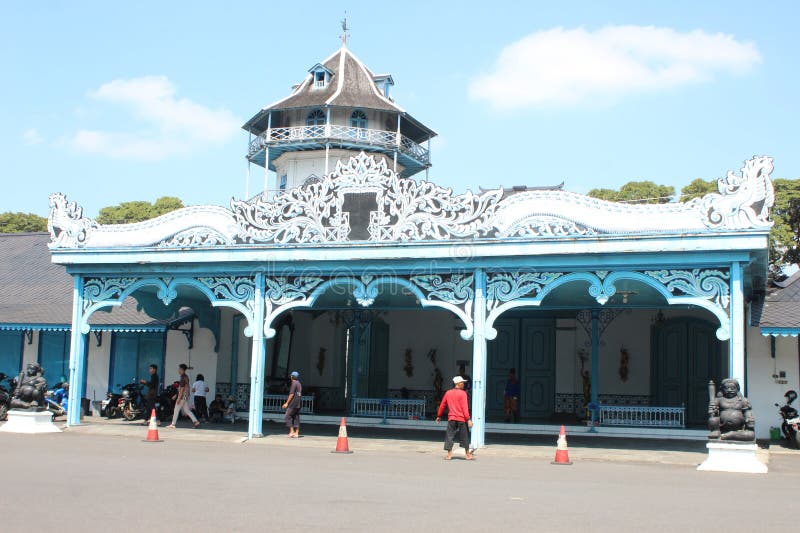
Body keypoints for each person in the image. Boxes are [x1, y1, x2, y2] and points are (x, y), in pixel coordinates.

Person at [435, 376, 474, 460]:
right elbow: (465, 408)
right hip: (462, 419)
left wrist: (439, 415)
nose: (464, 384)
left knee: (449, 435)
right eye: (462, 383)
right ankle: (467, 455)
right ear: (458, 384)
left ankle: (449, 455)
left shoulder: (448, 393)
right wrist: (468, 419)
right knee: (465, 436)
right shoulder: (463, 393)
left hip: (452, 418)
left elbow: (442, 405)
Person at [166, 363, 200, 429]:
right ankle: (195, 421)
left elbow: (182, 388)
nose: (178, 370)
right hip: (186, 396)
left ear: (182, 369)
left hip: (182, 396)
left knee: (176, 409)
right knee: (186, 410)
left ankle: (173, 424)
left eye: (179, 369)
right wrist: (176, 395)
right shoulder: (186, 376)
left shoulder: (182, 378)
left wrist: (178, 397)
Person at [282, 371, 302, 438]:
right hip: (298, 403)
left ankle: (292, 431)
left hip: (293, 403)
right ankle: (297, 433)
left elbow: (291, 394)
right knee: (296, 417)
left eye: (291, 376)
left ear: (292, 377)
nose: (290, 377)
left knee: (288, 416)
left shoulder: (294, 383)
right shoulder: (299, 383)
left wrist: (286, 403)